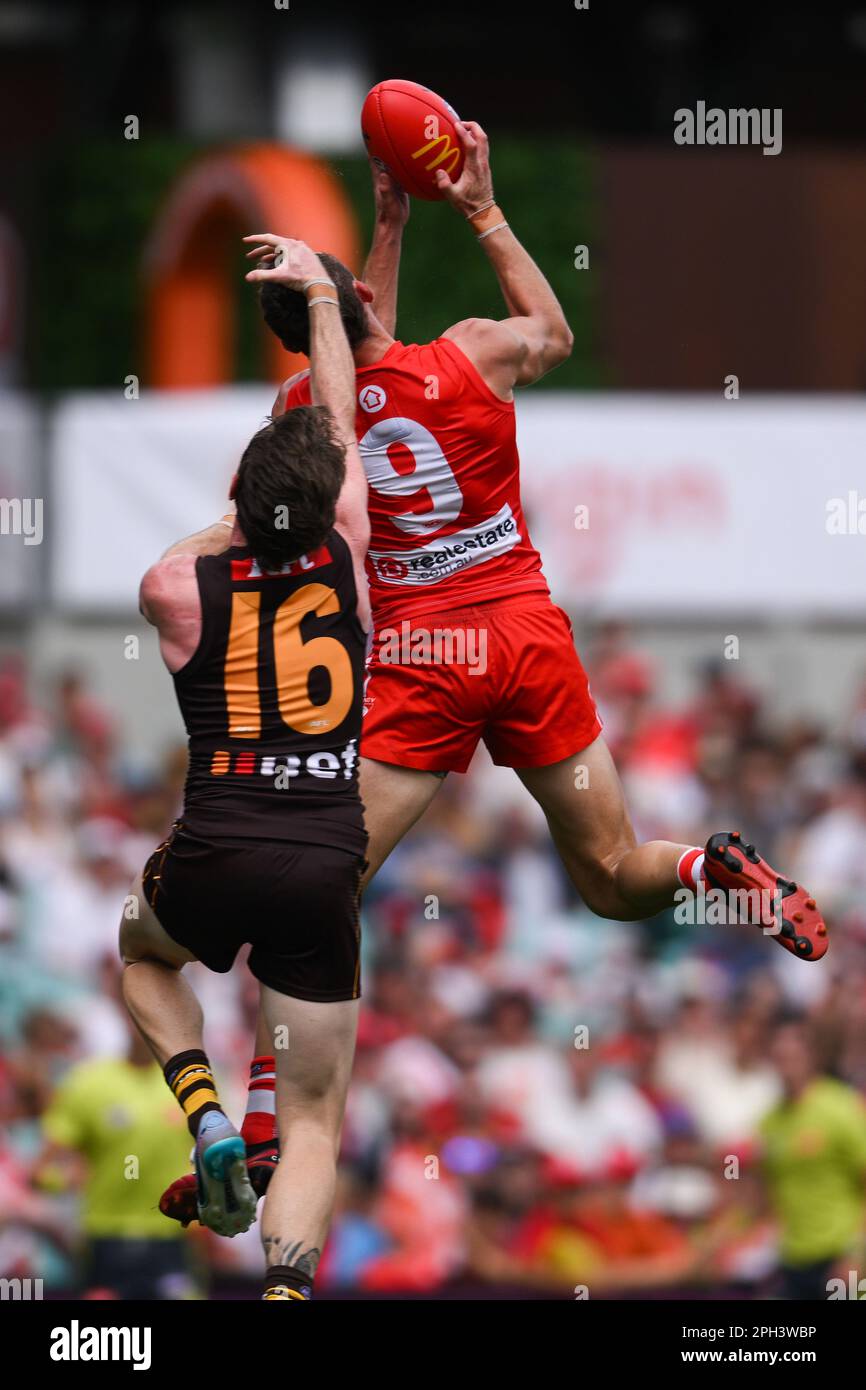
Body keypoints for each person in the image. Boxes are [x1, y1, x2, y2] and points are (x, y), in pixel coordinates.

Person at [161, 124, 828, 1227]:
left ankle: (267, 1127)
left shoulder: (295, 421)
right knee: (614, 875)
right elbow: (551, 330)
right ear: (363, 306)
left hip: (422, 661)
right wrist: (468, 207)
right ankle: (712, 867)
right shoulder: (471, 352)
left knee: (313, 895)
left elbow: (343, 378)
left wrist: (378, 231)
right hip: (522, 634)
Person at [119, 240, 371, 1302]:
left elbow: (188, 553)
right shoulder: (351, 549)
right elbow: (341, 417)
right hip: (323, 859)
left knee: (141, 952)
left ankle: (206, 1110)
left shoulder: (176, 588)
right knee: (312, 1115)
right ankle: (283, 1289)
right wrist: (321, 292)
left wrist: (239, 510)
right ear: (321, 506)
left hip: (216, 844)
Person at [760, 1020, 866, 1299]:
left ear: (812, 1057)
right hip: (793, 1256)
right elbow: (760, 1188)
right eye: (779, 1057)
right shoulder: (770, 1121)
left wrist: (858, 1252)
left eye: (792, 1056)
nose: (786, 1065)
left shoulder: (841, 1108)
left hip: (840, 1251)